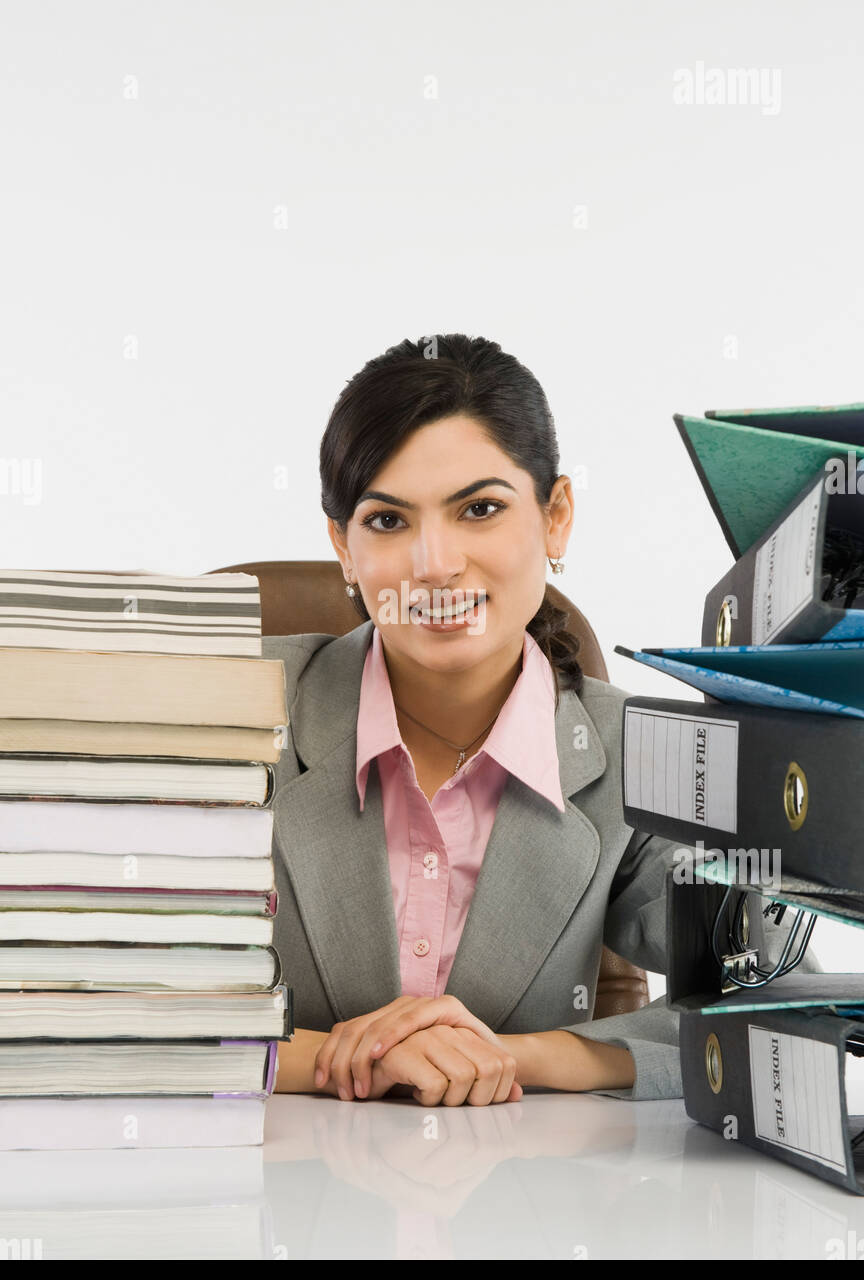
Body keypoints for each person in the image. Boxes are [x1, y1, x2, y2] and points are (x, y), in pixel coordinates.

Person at [265, 333, 813, 1108]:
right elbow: (81, 995)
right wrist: (341, 1058)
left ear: (556, 518)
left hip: (525, 1205)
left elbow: (777, 991)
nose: (434, 563)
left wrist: (522, 1057)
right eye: (388, 522)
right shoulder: (230, 711)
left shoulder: (645, 755)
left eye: (480, 509)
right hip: (258, 1197)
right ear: (343, 550)